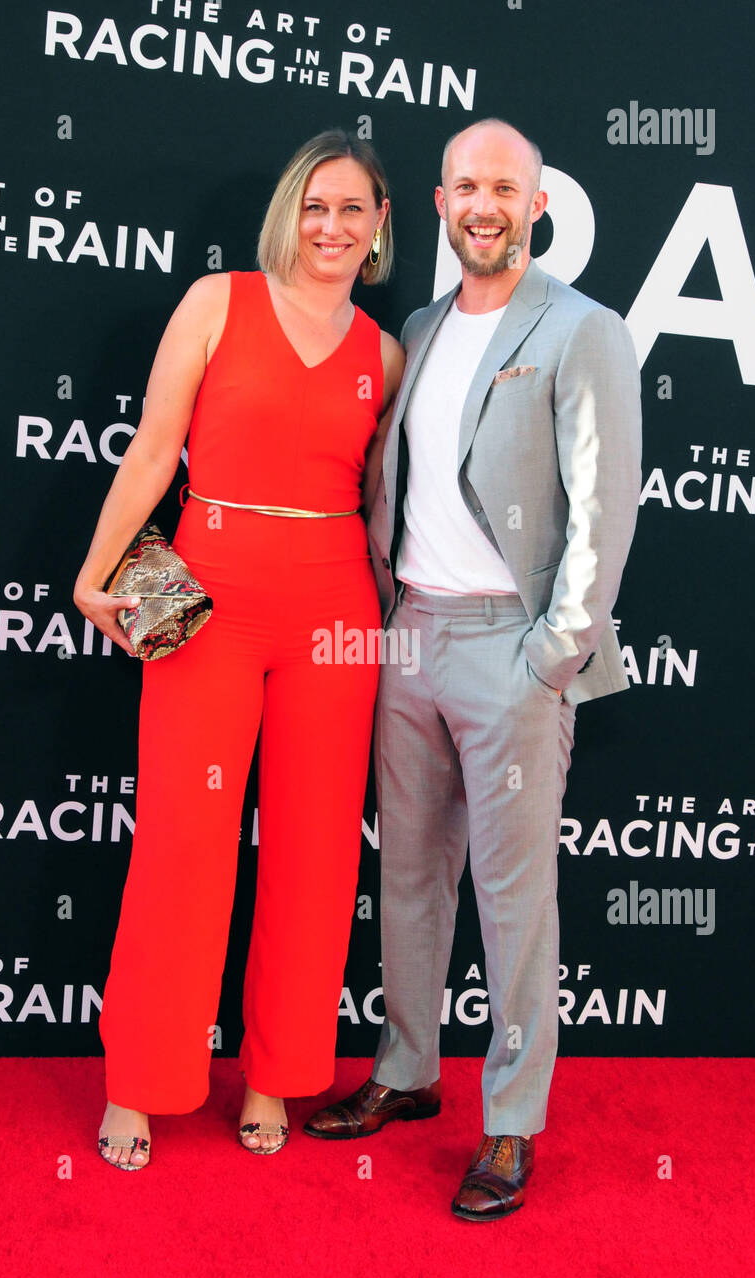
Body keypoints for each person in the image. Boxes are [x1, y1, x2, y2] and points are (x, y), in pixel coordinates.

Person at [304, 119, 642, 1219]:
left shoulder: (583, 329)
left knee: (511, 896)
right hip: (409, 638)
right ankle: (406, 1070)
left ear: (536, 204)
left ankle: (511, 1121)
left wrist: (553, 650)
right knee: (406, 876)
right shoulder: (419, 321)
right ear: (439, 205)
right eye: (464, 186)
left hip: (511, 645)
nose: (483, 204)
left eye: (504, 186)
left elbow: (603, 506)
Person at [74, 130, 404, 1168]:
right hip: (204, 592)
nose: (330, 226)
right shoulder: (218, 301)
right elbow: (153, 447)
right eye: (314, 205)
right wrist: (100, 568)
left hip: (334, 610)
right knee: (182, 840)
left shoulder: (384, 353)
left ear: (380, 225)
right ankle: (141, 1081)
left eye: (352, 209)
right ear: (287, 212)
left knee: (314, 852)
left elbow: (388, 504)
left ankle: (276, 1075)